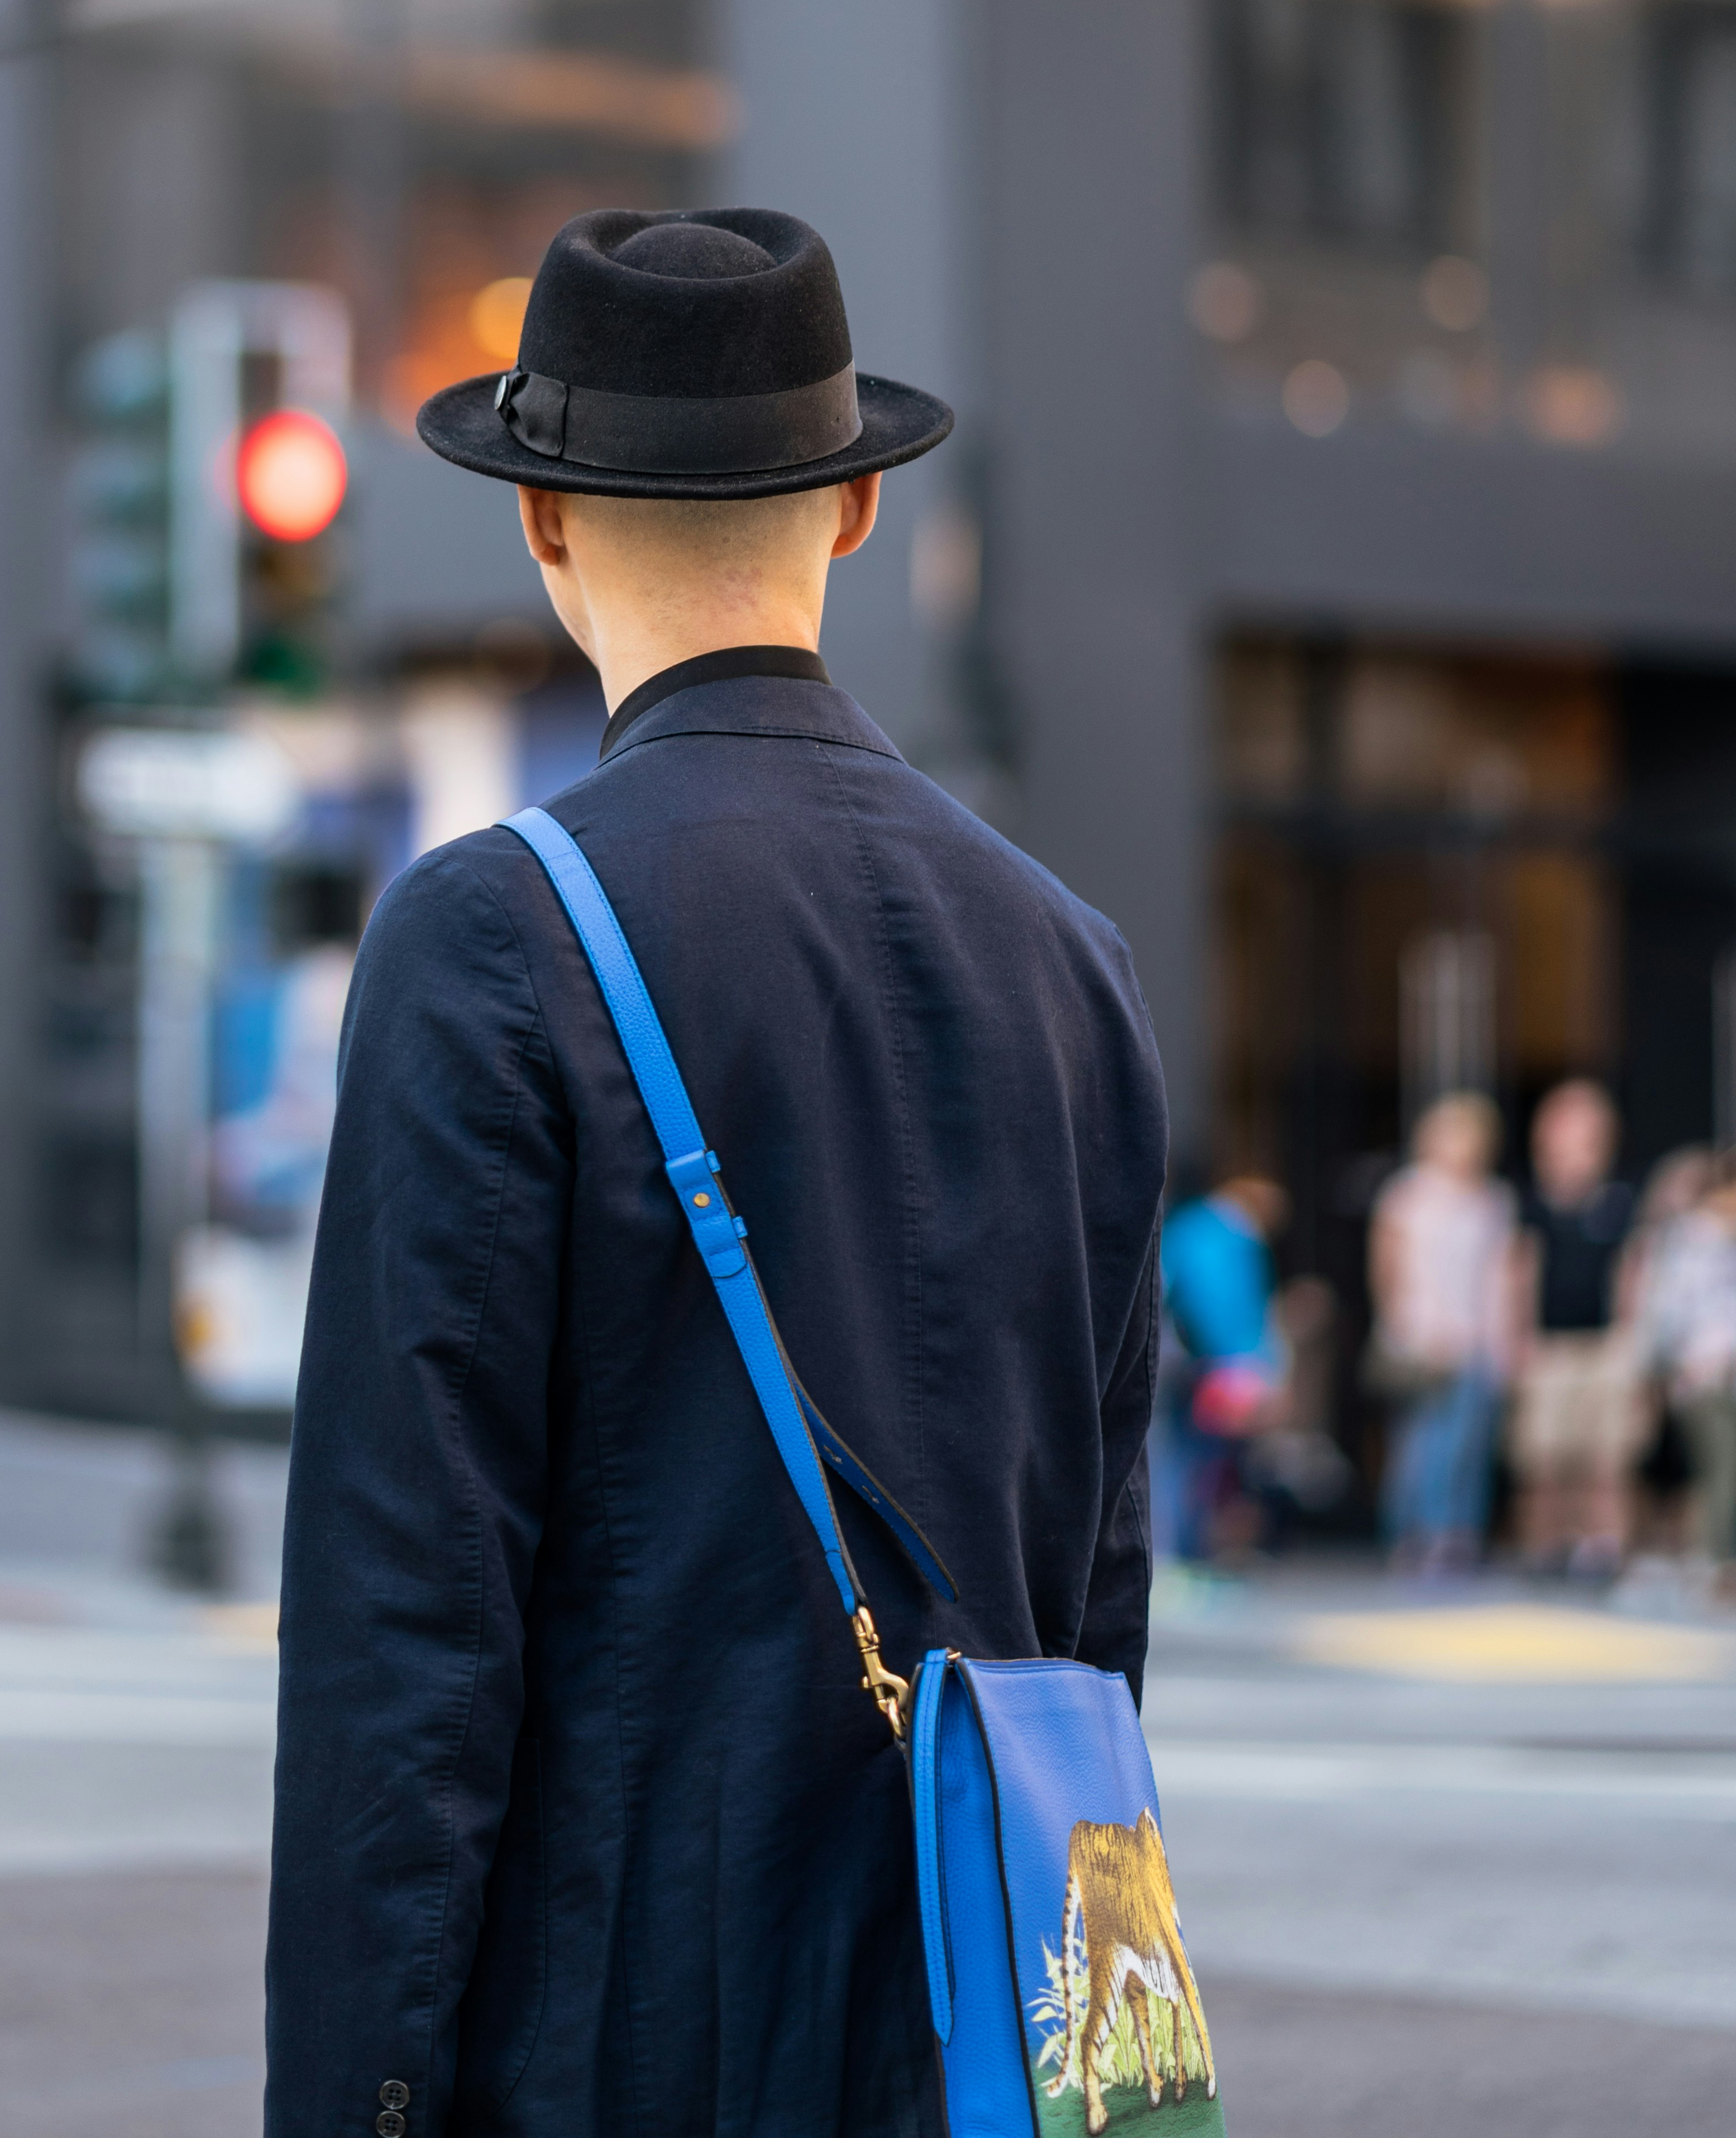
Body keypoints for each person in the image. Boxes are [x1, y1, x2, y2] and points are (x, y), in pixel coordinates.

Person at [264, 209, 1168, 2138]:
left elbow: (403, 1635)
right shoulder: (1070, 959)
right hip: (990, 2042)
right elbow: (1096, 1612)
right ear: (851, 512)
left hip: (623, 2043)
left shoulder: (490, 937)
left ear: (543, 524)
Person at [1367, 1092, 1515, 1571]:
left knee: (1469, 1446)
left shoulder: (1492, 1199)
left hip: (1476, 1340)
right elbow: (1387, 1269)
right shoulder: (1408, 1193)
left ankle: (1458, 1536)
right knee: (1424, 1445)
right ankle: (1413, 1535)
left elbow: (1500, 1276)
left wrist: (1502, 1343)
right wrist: (1405, 1328)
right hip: (1423, 1340)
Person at [1508, 1077, 1640, 1580]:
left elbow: (1632, 1274)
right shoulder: (1532, 1202)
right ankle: (1545, 1549)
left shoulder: (1620, 1199)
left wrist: (1632, 1344)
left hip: (1604, 1346)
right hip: (1548, 1347)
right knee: (1544, 1458)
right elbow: (1518, 1273)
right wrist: (1517, 1341)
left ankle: (1603, 1550)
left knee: (1605, 1459)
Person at [1153, 1172, 1288, 1564]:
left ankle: (1175, 1549)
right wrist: (1254, 1364)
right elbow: (1225, 1311)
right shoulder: (1230, 1238)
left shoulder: (1188, 1227)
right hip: (1211, 1369)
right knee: (1201, 1462)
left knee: (1179, 1457)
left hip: (1177, 1361)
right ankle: (1184, 1549)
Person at [1640, 1151, 1736, 1586]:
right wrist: (1665, 1368)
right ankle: (1714, 1560)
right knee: (1725, 1465)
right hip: (1704, 1377)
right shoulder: (1691, 1242)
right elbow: (1668, 1313)